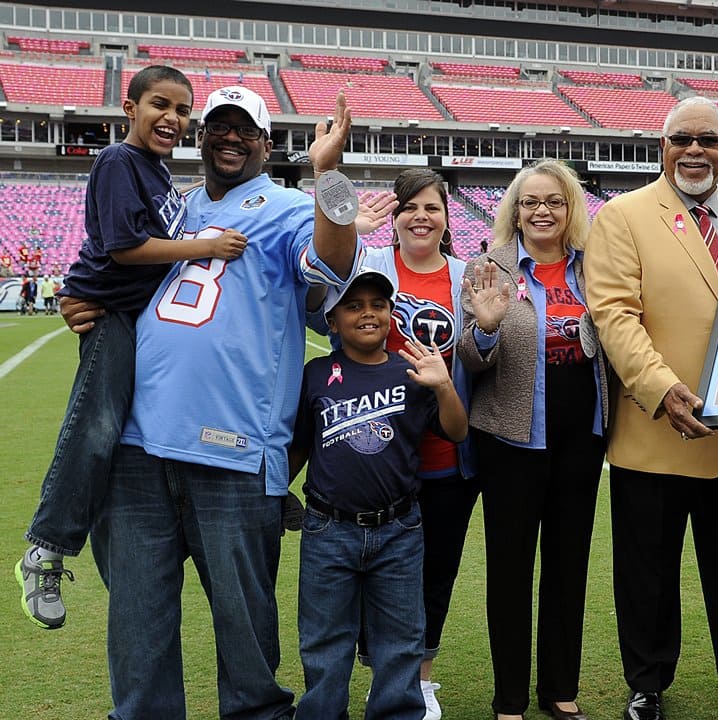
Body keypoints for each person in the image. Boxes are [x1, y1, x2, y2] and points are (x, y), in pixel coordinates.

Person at [58, 84, 360, 717]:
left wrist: (329, 175)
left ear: (265, 144)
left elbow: (333, 262)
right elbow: (118, 268)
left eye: (245, 130)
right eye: (219, 126)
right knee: (137, 632)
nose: (231, 138)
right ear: (201, 136)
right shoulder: (172, 205)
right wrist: (79, 300)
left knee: (246, 640)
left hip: (233, 450)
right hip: (137, 446)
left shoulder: (287, 206)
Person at [584, 97, 718, 720]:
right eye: (682, 139)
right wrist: (660, 389)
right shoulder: (623, 216)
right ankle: (647, 683)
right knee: (648, 566)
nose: (694, 150)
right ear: (663, 147)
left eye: (708, 140)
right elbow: (615, 315)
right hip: (659, 425)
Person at [14, 66, 248, 631]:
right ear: (130, 108)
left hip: (133, 319)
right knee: (94, 430)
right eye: (160, 105)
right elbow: (124, 247)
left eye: (182, 110)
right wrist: (207, 246)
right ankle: (45, 549)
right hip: (111, 316)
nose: (172, 118)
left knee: (114, 436)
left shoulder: (159, 173)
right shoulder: (119, 160)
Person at [309, 170, 478, 720]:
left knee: (432, 574)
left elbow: (482, 359)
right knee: (368, 575)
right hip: (373, 456)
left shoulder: (467, 276)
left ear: (448, 218)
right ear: (396, 215)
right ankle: (381, 675)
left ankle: (418, 679)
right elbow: (317, 302)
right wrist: (347, 229)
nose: (421, 217)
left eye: (433, 207)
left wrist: (487, 331)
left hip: (443, 455)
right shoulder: (370, 265)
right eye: (410, 207)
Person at [459, 159, 609, 720]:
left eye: (553, 201)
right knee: (510, 569)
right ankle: (510, 699)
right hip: (510, 440)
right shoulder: (487, 266)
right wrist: (486, 327)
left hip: (581, 439)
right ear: (515, 211)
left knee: (569, 566)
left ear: (570, 208)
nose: (541, 211)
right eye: (530, 202)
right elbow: (468, 359)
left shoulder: (595, 266)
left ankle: (560, 689)